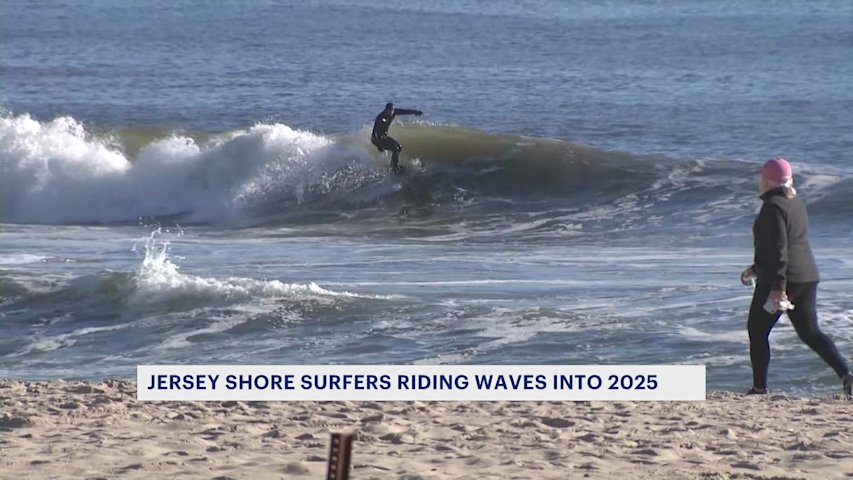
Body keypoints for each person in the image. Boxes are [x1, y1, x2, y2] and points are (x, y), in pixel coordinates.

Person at [740, 157, 852, 396]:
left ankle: (759, 388)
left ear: (767, 181)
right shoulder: (795, 203)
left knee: (757, 330)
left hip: (780, 280)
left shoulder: (772, 207)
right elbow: (787, 244)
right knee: (810, 332)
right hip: (806, 276)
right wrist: (756, 268)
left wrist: (778, 287)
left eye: (762, 178)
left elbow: (780, 248)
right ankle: (847, 375)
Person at [371, 102, 422, 173]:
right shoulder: (380, 118)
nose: (392, 112)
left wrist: (415, 112)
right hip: (376, 139)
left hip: (383, 137)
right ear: (386, 110)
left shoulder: (394, 112)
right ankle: (395, 168)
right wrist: (380, 145)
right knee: (395, 148)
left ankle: (393, 165)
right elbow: (376, 133)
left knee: (399, 147)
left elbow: (404, 111)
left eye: (393, 110)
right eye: (391, 111)